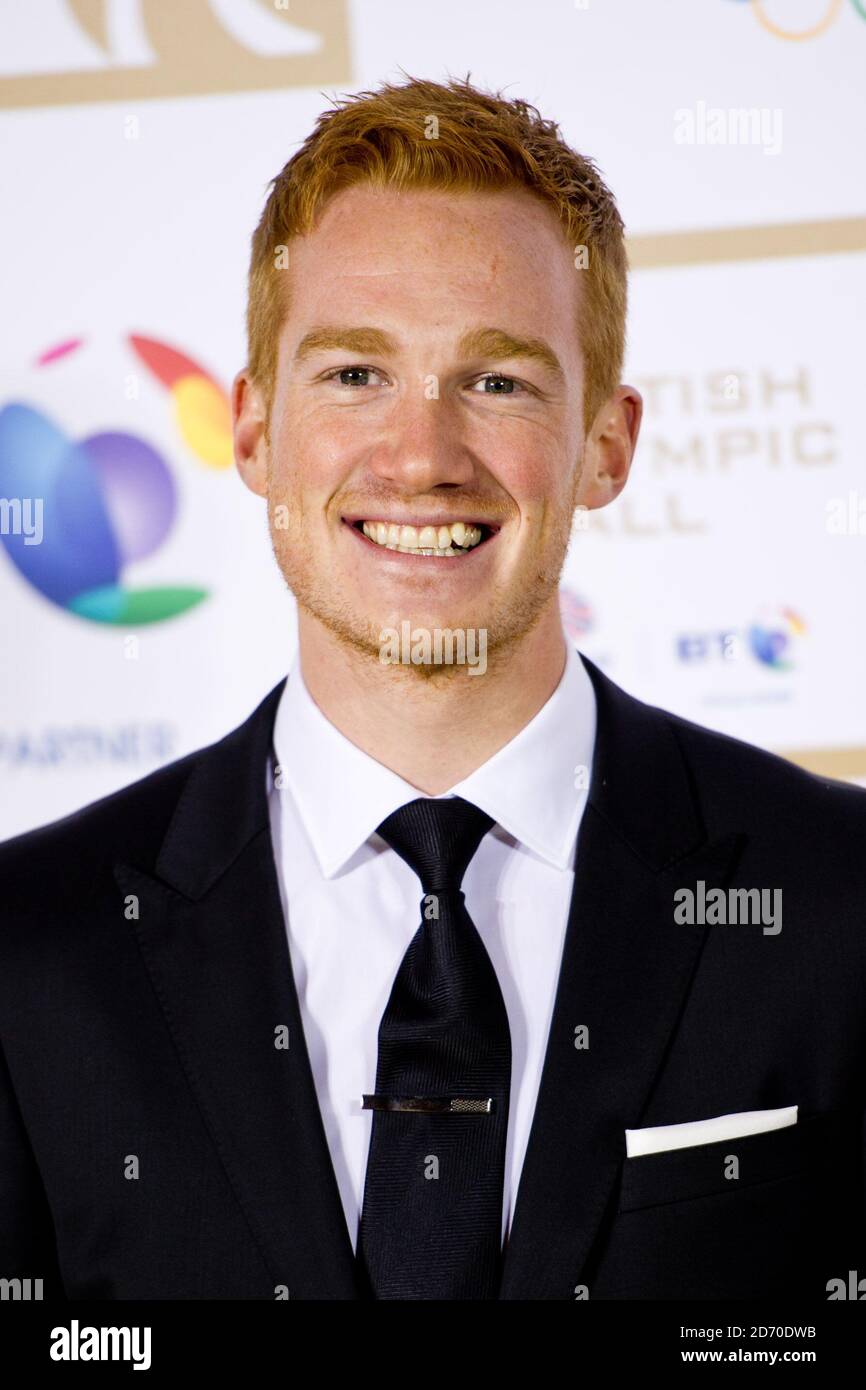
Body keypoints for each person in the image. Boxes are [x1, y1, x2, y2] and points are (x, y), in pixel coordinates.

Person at [1, 73, 864, 1302]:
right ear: (252, 432)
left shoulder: (834, 900)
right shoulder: (33, 949)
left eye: (497, 380)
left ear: (604, 446)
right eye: (354, 374)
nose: (419, 456)